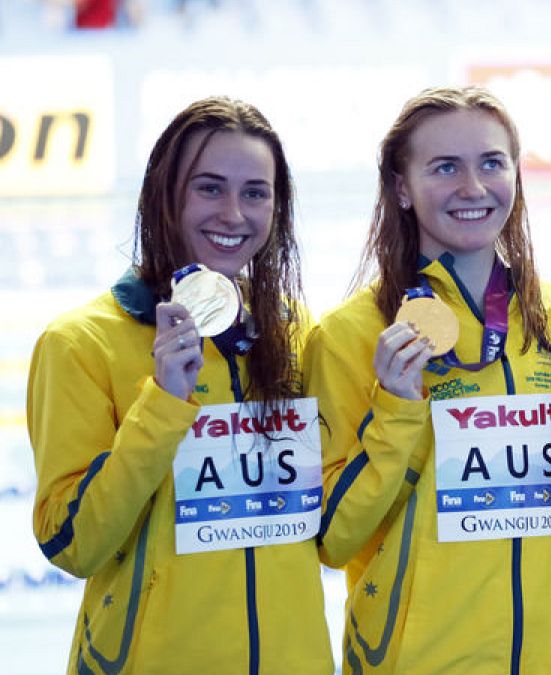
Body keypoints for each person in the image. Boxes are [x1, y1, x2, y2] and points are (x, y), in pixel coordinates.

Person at [27, 97, 332, 672]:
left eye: (255, 193)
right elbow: (74, 542)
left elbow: (327, 531)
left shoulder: (294, 331)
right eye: (209, 188)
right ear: (164, 196)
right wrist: (164, 402)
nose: (234, 214)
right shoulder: (82, 342)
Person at [306, 86, 551, 673]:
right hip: (416, 658)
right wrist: (397, 410)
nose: (473, 188)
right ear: (401, 188)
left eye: (491, 162)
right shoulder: (349, 336)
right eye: (445, 168)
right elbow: (333, 538)